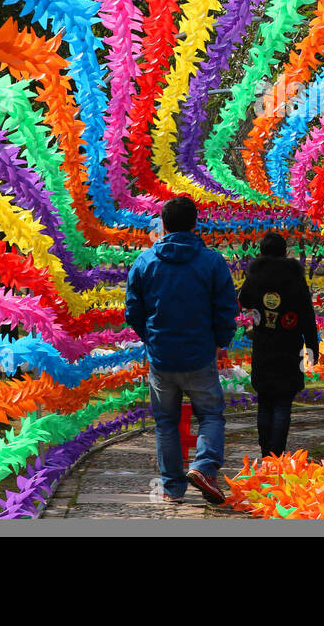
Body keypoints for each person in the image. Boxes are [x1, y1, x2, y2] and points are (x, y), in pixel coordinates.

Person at [125, 196, 238, 505]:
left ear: (163, 225)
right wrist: (221, 342)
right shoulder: (212, 262)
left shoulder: (145, 263)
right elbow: (226, 308)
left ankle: (173, 488)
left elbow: (133, 311)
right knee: (211, 414)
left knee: (166, 422)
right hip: (200, 354)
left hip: (162, 358)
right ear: (194, 224)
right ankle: (204, 467)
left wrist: (151, 338)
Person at [239, 232, 320, 458]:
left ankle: (266, 451)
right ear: (285, 252)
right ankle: (277, 453)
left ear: (261, 252)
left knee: (264, 400)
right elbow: (307, 315)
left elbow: (243, 299)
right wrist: (312, 348)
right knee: (283, 401)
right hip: (289, 345)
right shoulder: (295, 276)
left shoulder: (255, 274)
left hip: (264, 345)